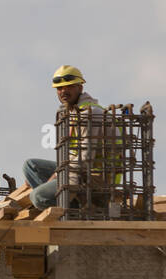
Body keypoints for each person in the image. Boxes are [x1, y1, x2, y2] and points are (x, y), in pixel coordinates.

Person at [23, 65, 111, 210]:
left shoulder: (90, 113)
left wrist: (56, 176)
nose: (63, 91)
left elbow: (85, 160)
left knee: (37, 197)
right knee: (30, 166)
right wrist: (58, 174)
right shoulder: (71, 114)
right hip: (79, 172)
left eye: (69, 87)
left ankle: (77, 206)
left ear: (80, 88)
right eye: (59, 88)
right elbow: (71, 157)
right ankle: (63, 198)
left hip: (94, 177)